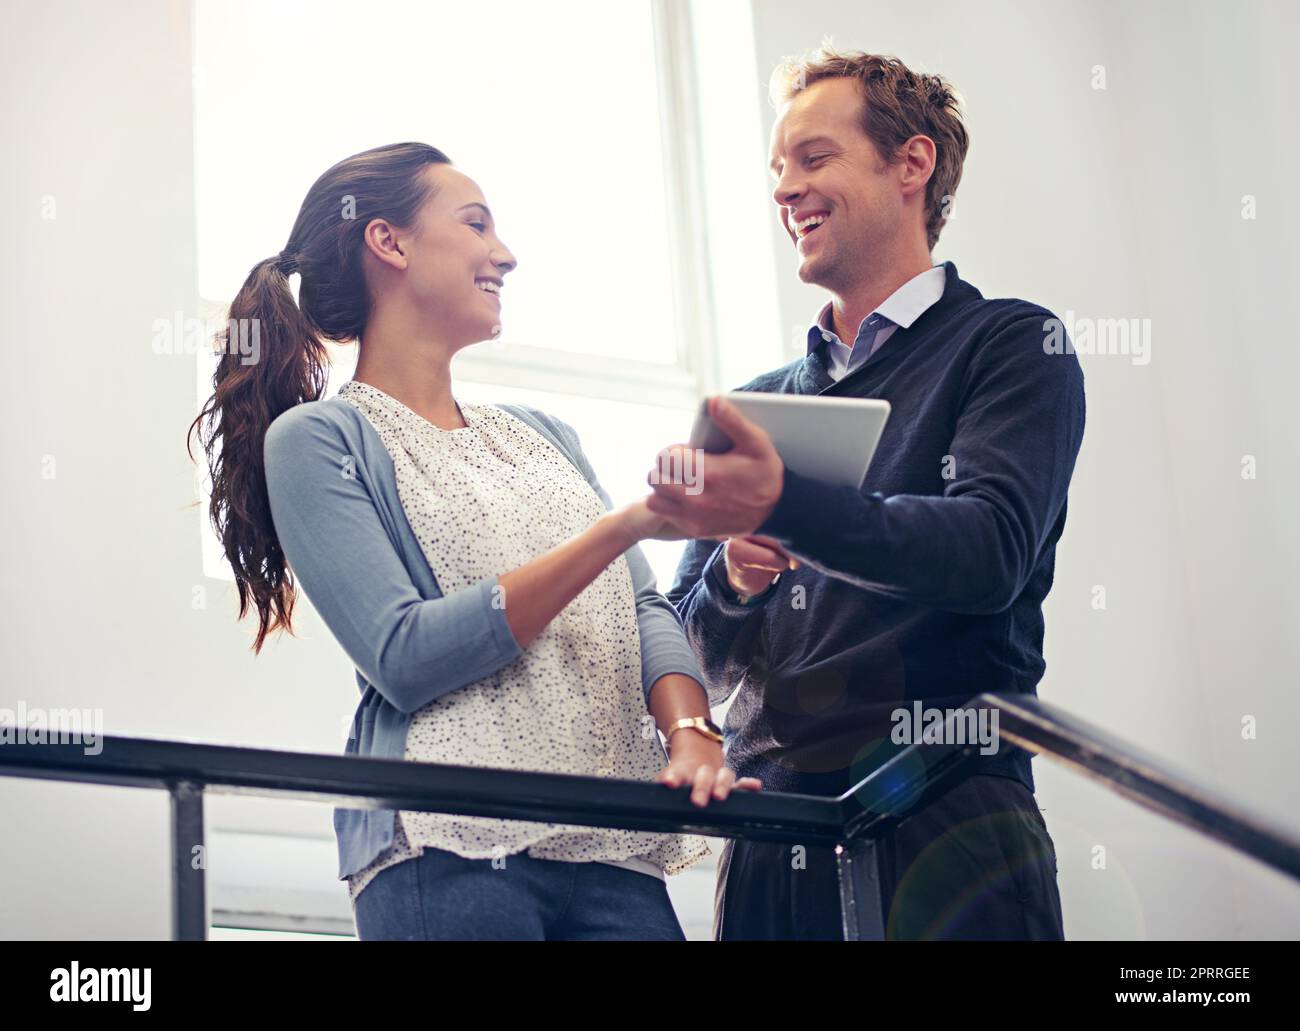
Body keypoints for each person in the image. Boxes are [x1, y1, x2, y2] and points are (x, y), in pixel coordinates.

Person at [187, 141, 759, 941]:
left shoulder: (544, 435)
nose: (506, 254)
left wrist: (692, 735)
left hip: (613, 846)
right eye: (477, 224)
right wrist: (621, 526)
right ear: (388, 242)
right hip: (447, 845)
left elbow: (644, 609)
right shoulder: (320, 440)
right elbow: (404, 653)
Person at [650, 47, 1085, 940]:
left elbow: (985, 552)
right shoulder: (755, 401)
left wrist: (784, 503)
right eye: (777, 169)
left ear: (911, 165)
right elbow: (689, 656)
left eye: (814, 158)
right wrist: (735, 575)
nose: (785, 189)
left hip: (945, 818)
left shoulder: (1009, 345)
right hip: (773, 838)